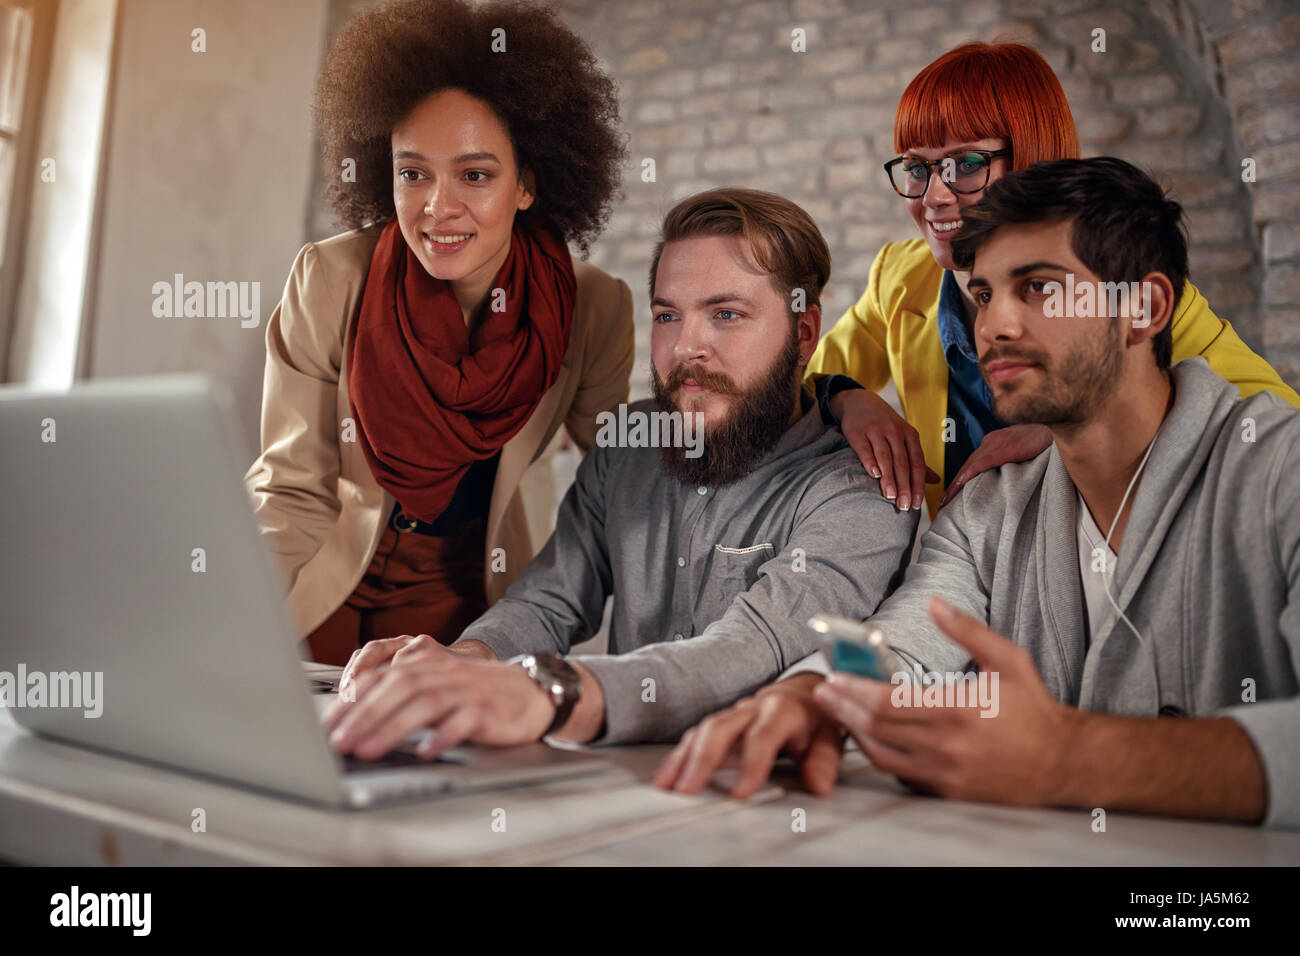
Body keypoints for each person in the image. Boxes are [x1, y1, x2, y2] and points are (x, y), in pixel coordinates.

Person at [658, 158, 1300, 830]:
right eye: (986, 294)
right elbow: (905, 645)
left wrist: (1069, 757)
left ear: (1144, 308)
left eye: (1040, 289)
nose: (995, 326)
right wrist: (813, 695)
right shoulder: (986, 507)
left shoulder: (1278, 472)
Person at [323, 189, 919, 759]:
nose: (688, 347)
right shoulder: (627, 444)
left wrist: (547, 693)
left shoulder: (862, 488)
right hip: (618, 778)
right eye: (667, 315)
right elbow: (551, 600)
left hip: (771, 802)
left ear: (805, 334)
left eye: (727, 315)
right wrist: (470, 658)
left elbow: (747, 648)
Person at [244, 0, 634, 665]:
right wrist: (226, 617)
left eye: (475, 175)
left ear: (528, 185)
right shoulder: (330, 278)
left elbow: (620, 483)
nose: (437, 207)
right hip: (323, 587)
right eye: (413, 173)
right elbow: (291, 490)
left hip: (470, 606)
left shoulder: (593, 306)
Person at [810, 41, 1300, 519]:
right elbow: (791, 383)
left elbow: (1275, 420)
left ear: (1031, 159)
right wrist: (844, 397)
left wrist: (1070, 424)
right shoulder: (900, 276)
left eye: (966, 164)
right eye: (918, 168)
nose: (934, 195)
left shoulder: (1123, 278)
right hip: (964, 572)